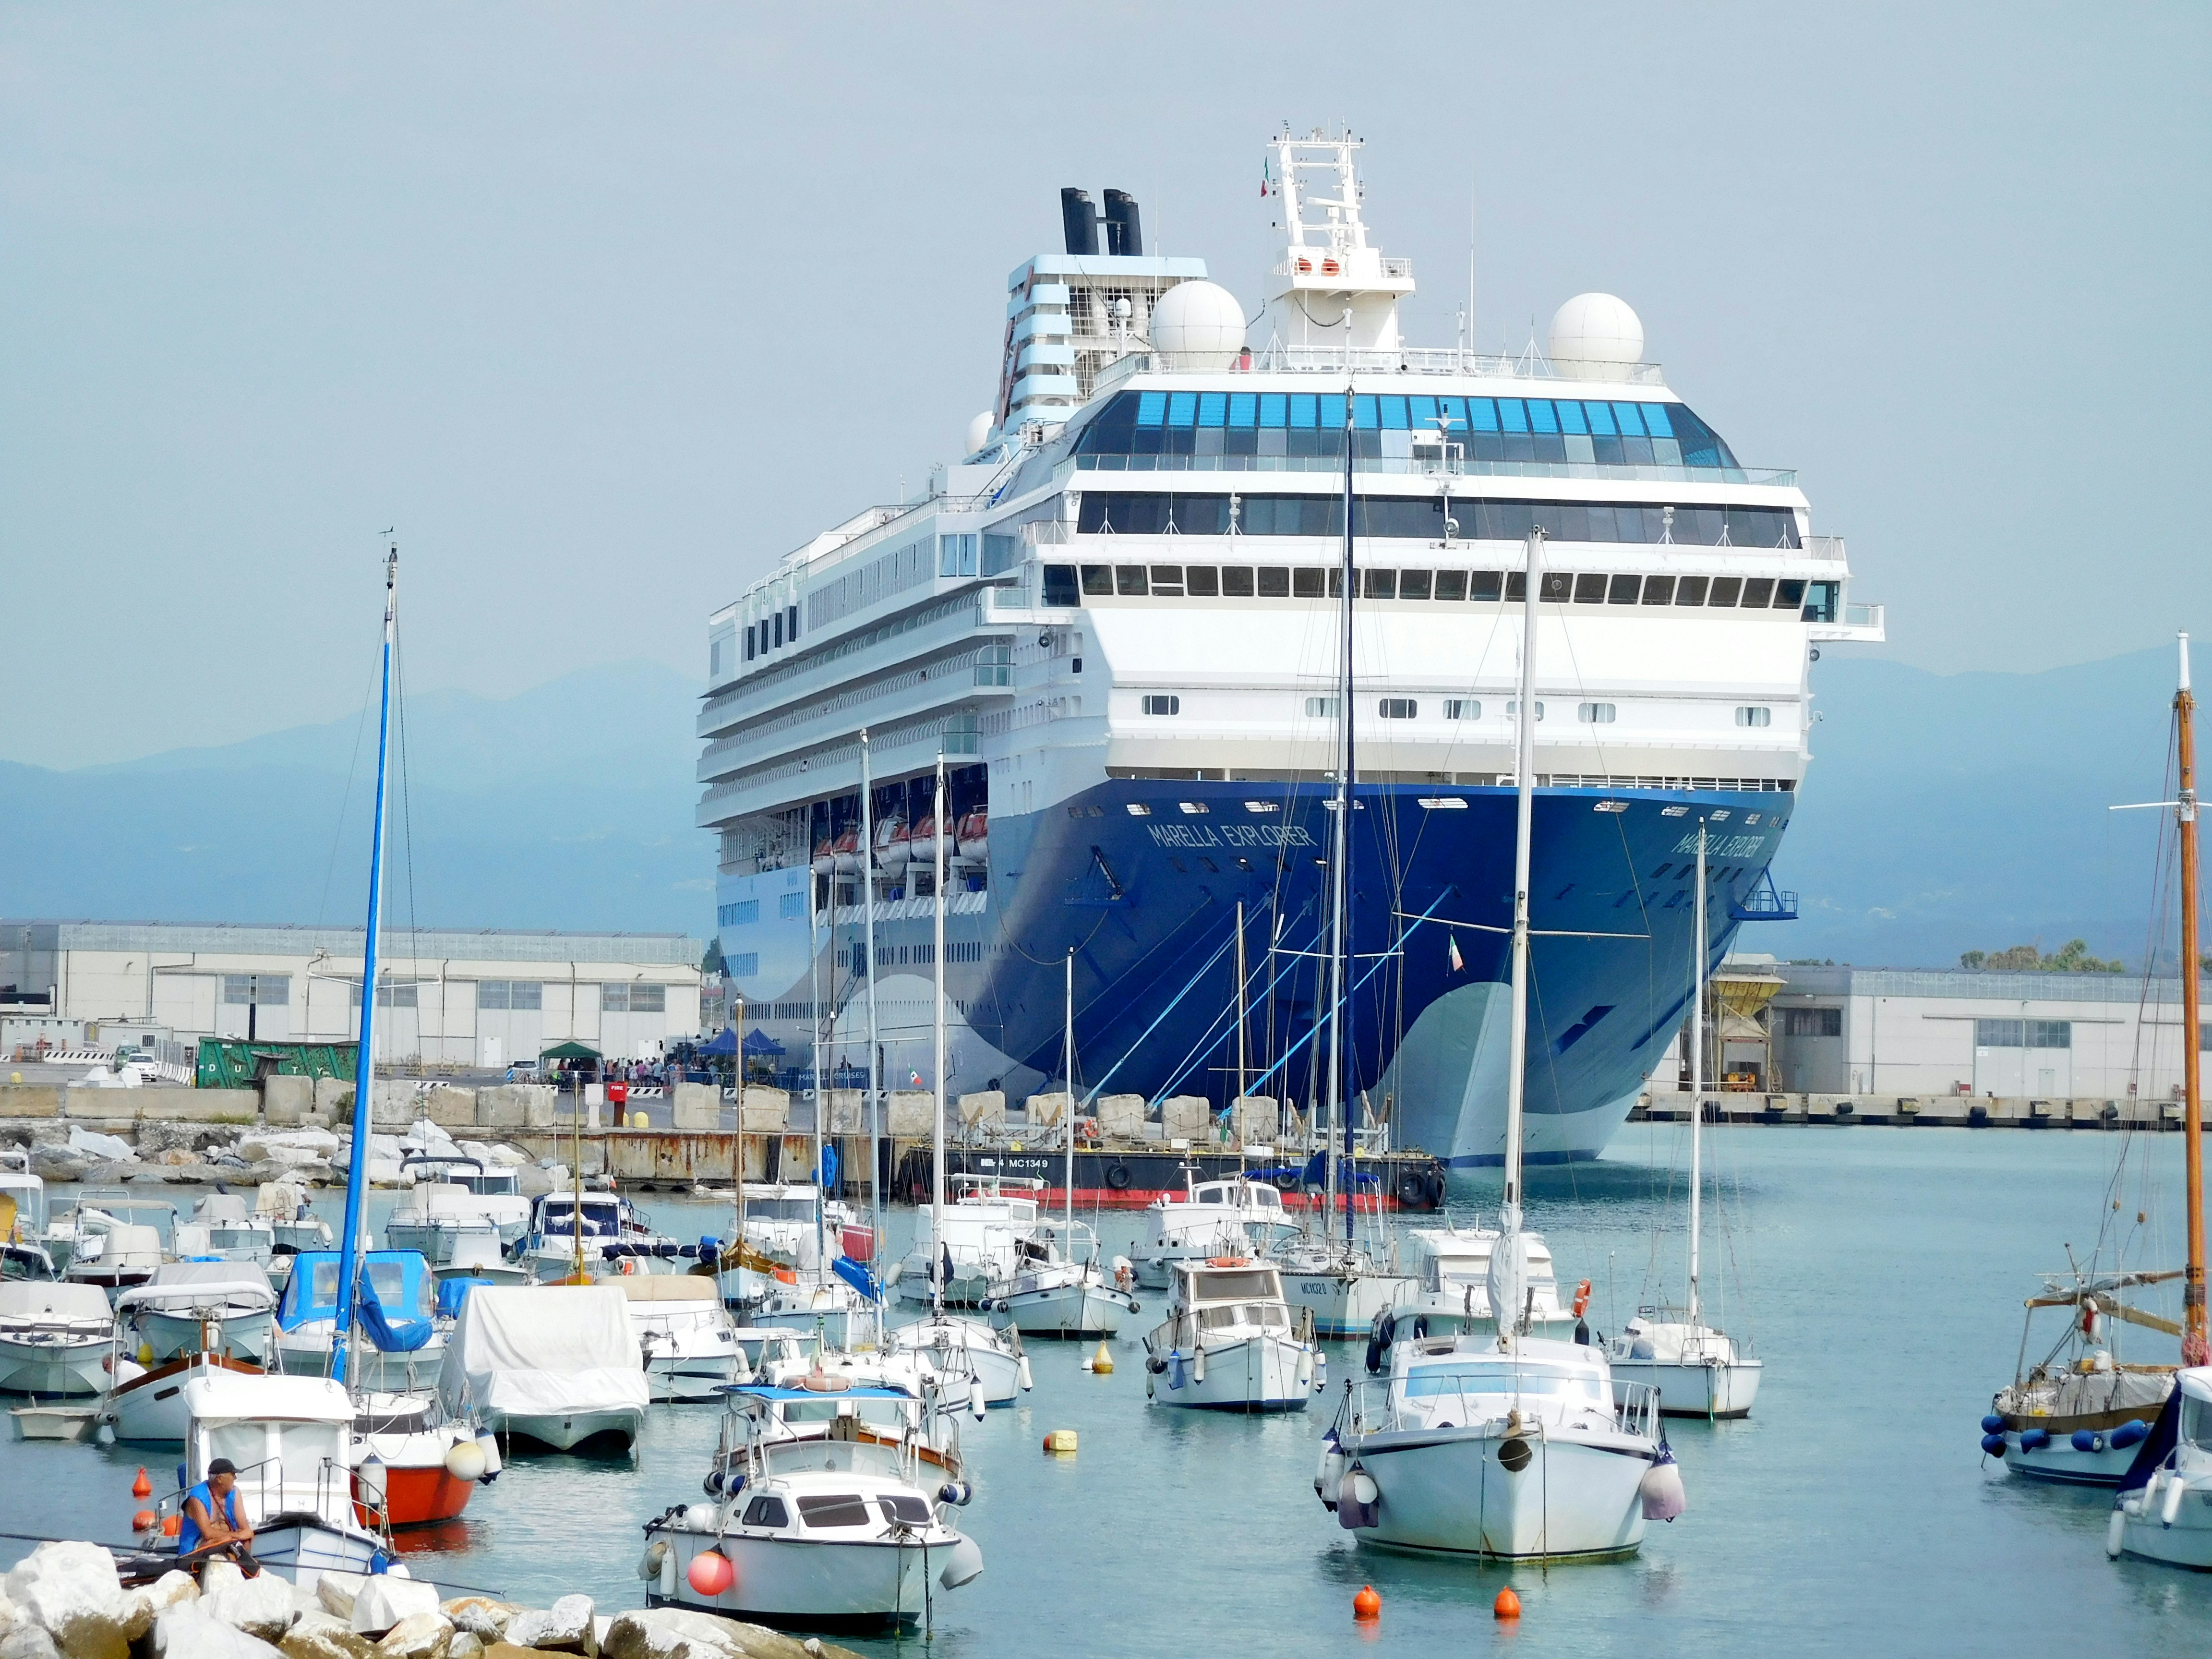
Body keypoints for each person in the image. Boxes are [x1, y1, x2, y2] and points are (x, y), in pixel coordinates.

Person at [177, 1457, 258, 1577]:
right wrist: (237, 1536)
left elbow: (245, 1530)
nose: (235, 1478)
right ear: (220, 1479)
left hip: (227, 1542)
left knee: (247, 1538)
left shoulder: (235, 1493)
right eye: (233, 1474)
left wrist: (242, 1535)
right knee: (222, 1540)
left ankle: (244, 1570)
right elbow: (208, 1533)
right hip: (197, 1548)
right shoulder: (197, 1498)